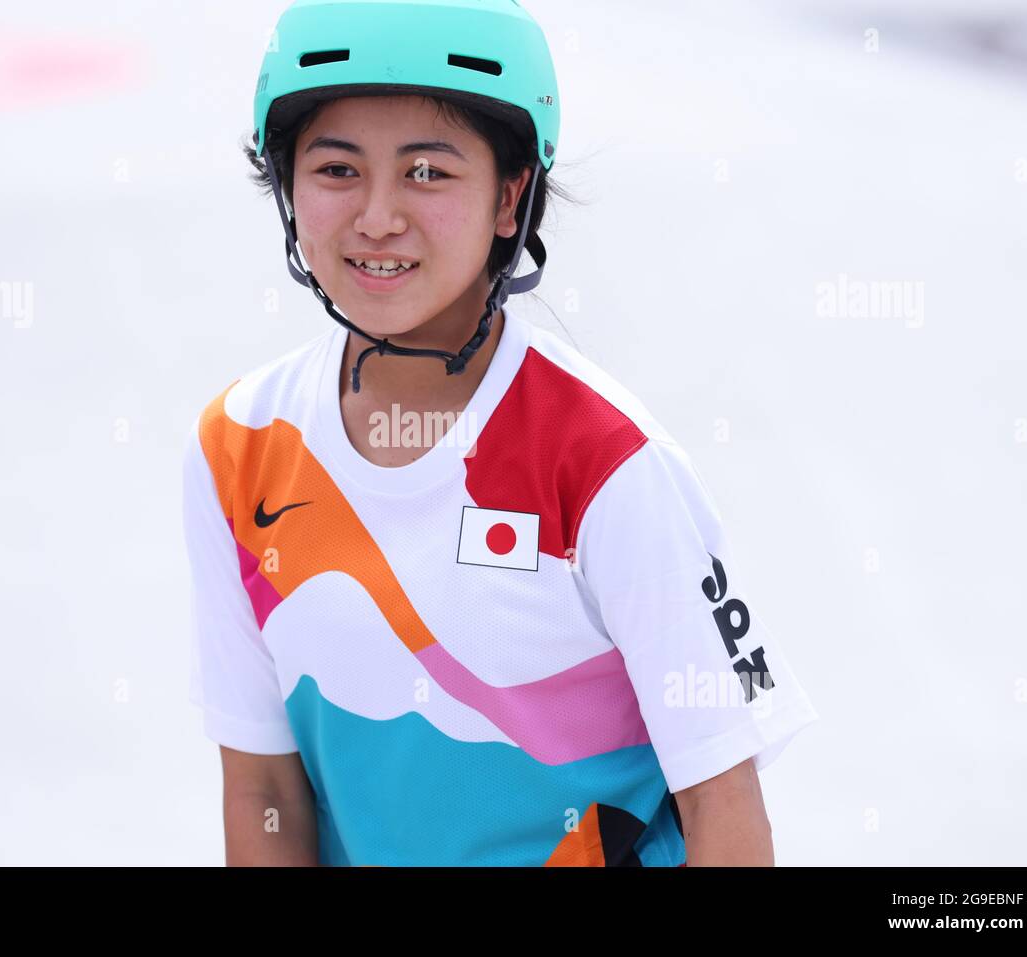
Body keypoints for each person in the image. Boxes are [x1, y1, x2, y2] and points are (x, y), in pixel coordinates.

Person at [182, 0, 820, 866]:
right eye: (337, 168)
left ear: (510, 196)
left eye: (428, 173)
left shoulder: (608, 463)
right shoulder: (238, 448)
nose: (377, 217)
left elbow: (725, 810)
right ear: (288, 183)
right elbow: (263, 789)